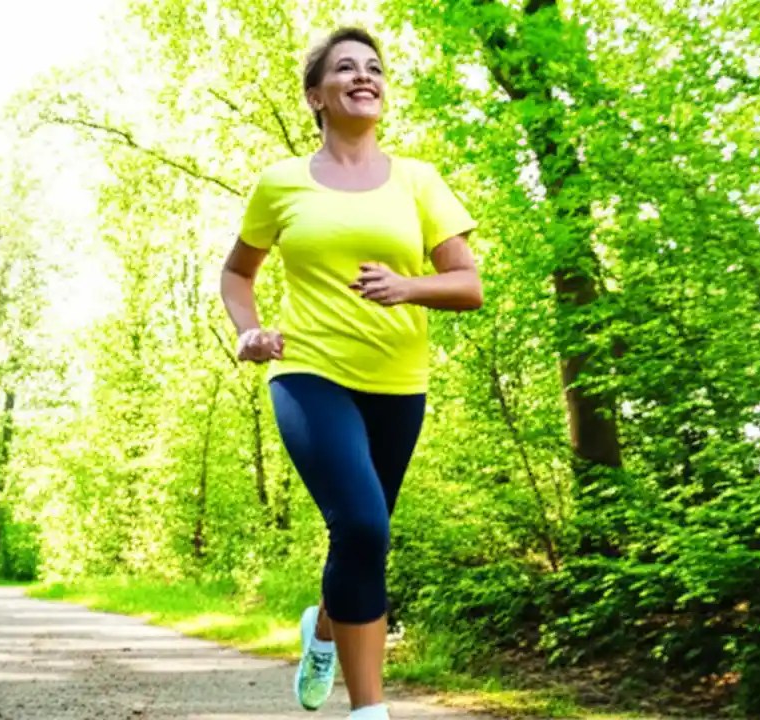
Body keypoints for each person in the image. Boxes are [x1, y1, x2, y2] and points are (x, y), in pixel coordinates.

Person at [219, 26, 483, 720]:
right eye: (345, 68)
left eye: (374, 68)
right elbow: (237, 274)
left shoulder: (418, 180)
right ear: (317, 95)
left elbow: (468, 284)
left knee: (361, 537)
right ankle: (370, 712)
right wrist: (248, 330)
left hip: (399, 383)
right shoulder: (280, 184)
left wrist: (408, 286)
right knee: (365, 526)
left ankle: (324, 632)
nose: (365, 76)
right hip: (309, 372)